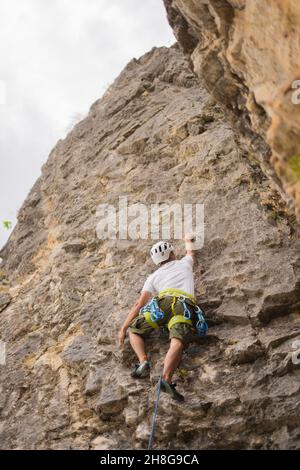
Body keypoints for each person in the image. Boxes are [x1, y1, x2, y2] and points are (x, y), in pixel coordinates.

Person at [118, 235, 200, 402]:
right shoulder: (184, 263)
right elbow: (190, 251)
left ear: (156, 261)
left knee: (135, 331)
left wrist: (124, 328)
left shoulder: (153, 277)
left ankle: (143, 362)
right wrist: (187, 239)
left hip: (161, 304)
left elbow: (138, 304)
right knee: (177, 342)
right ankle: (166, 379)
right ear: (171, 253)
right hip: (182, 305)